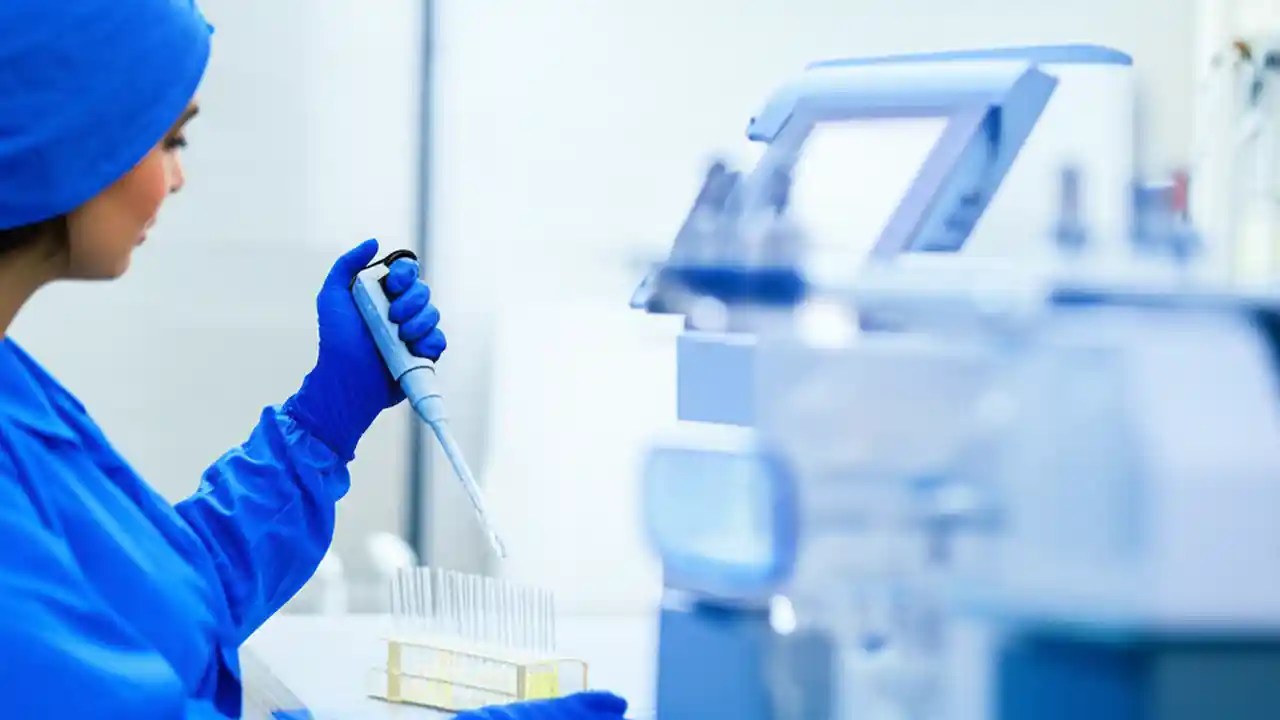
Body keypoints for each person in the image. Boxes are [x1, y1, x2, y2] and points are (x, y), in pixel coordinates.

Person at [0, 1, 629, 718]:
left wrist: (325, 420)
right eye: (171, 140)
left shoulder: (17, 392)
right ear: (72, 132)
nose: (177, 179)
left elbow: (172, 598)